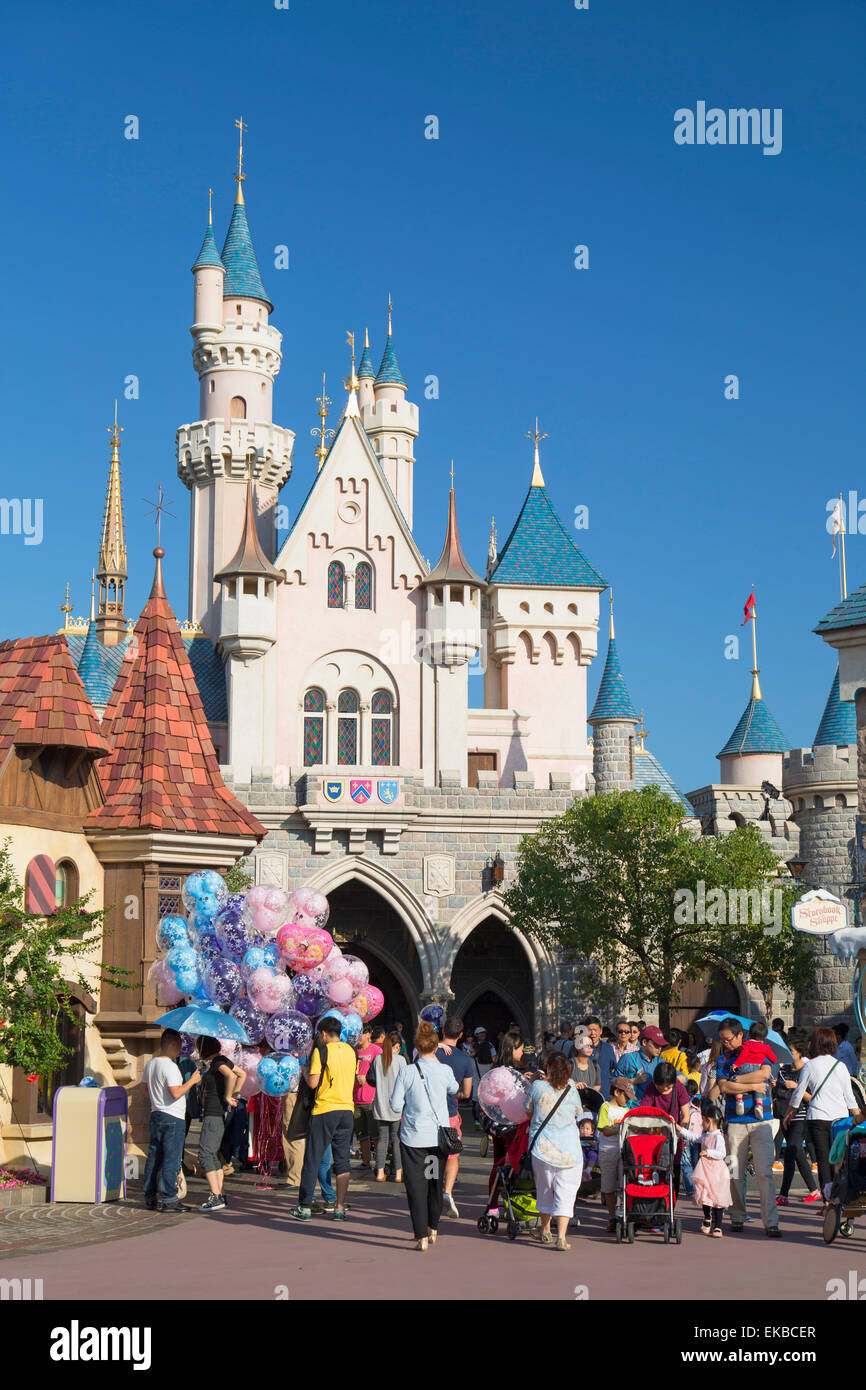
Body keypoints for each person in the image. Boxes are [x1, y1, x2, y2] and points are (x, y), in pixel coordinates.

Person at [389, 1020, 458, 1251]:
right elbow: (454, 1089)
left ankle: (420, 1236)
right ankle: (433, 1227)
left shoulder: (407, 1071)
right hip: (436, 1140)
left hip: (413, 1140)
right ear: (436, 1046)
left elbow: (395, 1105)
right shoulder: (444, 1070)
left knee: (416, 1187)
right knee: (433, 1183)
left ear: (417, 1047)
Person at [709, 1017, 781, 1237]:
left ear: (740, 1035)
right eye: (722, 1040)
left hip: (762, 1122)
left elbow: (765, 1074)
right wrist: (752, 1085)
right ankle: (737, 1216)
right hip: (735, 1122)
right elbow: (723, 1086)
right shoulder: (723, 1058)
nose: (725, 1043)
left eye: (728, 1039)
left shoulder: (760, 1050)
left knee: (764, 1172)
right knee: (734, 1171)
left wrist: (737, 1079)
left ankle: (771, 1222)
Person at [288, 1015, 356, 1223]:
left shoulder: (321, 1051)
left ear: (324, 1034)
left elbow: (313, 1083)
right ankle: (339, 1208)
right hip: (347, 1110)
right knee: (342, 1162)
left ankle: (305, 1207)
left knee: (313, 1158)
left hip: (325, 1109)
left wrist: (304, 1070)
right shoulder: (351, 1051)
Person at [786, 1025, 861, 1198]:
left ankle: (827, 1200)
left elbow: (798, 1094)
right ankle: (838, 1196)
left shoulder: (810, 1066)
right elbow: (850, 1097)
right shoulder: (841, 1066)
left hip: (817, 1118)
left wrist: (790, 1113)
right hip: (840, 1119)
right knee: (838, 1159)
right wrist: (858, 1117)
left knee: (823, 1159)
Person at [525, 1052, 585, 1250]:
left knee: (544, 1189)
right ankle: (561, 1237)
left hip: (543, 1148)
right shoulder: (572, 1089)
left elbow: (528, 1110)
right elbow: (578, 1112)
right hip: (569, 1150)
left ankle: (545, 1229)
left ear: (548, 1068)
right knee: (566, 1193)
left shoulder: (538, 1087)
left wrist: (535, 1081)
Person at [141, 1030, 200, 1213]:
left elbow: (144, 1089)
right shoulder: (170, 1066)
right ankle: (169, 1199)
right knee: (171, 1159)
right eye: (179, 1046)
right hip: (173, 1117)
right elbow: (176, 1092)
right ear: (173, 1045)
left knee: (154, 1157)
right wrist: (192, 1081)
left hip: (156, 1113)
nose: (181, 1050)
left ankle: (150, 1196)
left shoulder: (151, 1064)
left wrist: (157, 1100)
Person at [197, 1036, 247, 1212]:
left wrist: (228, 1096)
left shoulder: (218, 1062)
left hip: (213, 1112)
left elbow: (232, 1075)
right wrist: (236, 1094)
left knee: (204, 1153)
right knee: (212, 1154)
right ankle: (219, 1194)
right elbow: (242, 1074)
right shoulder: (220, 1060)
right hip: (218, 1114)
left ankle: (216, 1196)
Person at [775, 1026, 820, 1206]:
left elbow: (813, 1098)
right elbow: (778, 1091)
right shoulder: (783, 1069)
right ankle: (814, 1190)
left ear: (800, 1052)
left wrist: (796, 1087)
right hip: (783, 1115)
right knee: (798, 1154)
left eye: (791, 1051)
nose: (788, 1053)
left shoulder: (808, 1069)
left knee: (791, 1151)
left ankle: (784, 1194)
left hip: (801, 1116)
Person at [435, 1014, 474, 1218]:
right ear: (460, 1035)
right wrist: (453, 1093)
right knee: (452, 1155)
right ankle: (447, 1191)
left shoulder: (430, 1052)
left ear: (442, 1031)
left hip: (429, 1114)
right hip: (450, 1113)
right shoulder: (464, 1059)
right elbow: (467, 1093)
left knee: (431, 1153)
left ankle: (431, 1191)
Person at [368, 1028, 406, 1182]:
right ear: (395, 1047)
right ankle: (398, 1174)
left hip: (380, 1105)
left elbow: (371, 1080)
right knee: (396, 1140)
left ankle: (380, 1172)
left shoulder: (378, 1059)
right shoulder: (401, 1061)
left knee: (382, 1140)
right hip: (397, 1106)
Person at [597, 1075, 635, 1229]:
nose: (628, 1100)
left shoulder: (626, 1110)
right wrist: (620, 1128)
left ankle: (624, 1213)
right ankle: (612, 1216)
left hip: (623, 1151)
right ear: (618, 1092)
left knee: (624, 1183)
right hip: (608, 1151)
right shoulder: (605, 1107)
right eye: (626, 1096)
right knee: (609, 1186)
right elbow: (605, 1129)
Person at [691, 1101, 732, 1236]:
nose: (701, 1124)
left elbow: (722, 1154)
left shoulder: (718, 1137)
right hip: (706, 1171)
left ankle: (718, 1225)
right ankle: (707, 1218)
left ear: (708, 1120)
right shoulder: (705, 1135)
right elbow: (693, 1137)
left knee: (717, 1199)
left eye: (702, 1121)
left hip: (717, 1172)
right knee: (705, 1195)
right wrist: (679, 1129)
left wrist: (707, 1152)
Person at [353, 1024, 382, 1172]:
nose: (358, 1038)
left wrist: (369, 1078)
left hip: (371, 1099)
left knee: (375, 1134)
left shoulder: (377, 1051)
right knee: (361, 1135)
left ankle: (379, 1163)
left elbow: (384, 1072)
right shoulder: (353, 1050)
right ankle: (365, 1162)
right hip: (355, 1099)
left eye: (361, 1034)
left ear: (369, 1034)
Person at [613, 1025, 665, 1101]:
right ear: (644, 1042)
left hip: (653, 1110)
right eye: (656, 1045)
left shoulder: (661, 1062)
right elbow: (613, 1083)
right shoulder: (628, 1059)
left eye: (661, 1045)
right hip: (632, 1109)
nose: (659, 1048)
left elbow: (683, 1078)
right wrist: (633, 1081)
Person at [584, 1016, 616, 1100]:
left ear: (601, 1031)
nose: (592, 1033)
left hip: (604, 1095)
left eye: (595, 1030)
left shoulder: (608, 1048)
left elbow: (613, 1069)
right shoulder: (578, 1048)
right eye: (589, 1030)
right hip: (583, 1094)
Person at [571, 1029, 602, 1095]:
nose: (589, 1048)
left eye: (591, 1046)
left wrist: (589, 1094)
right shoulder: (569, 1064)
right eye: (586, 1045)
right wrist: (574, 1084)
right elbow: (562, 1083)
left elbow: (597, 1085)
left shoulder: (595, 1066)